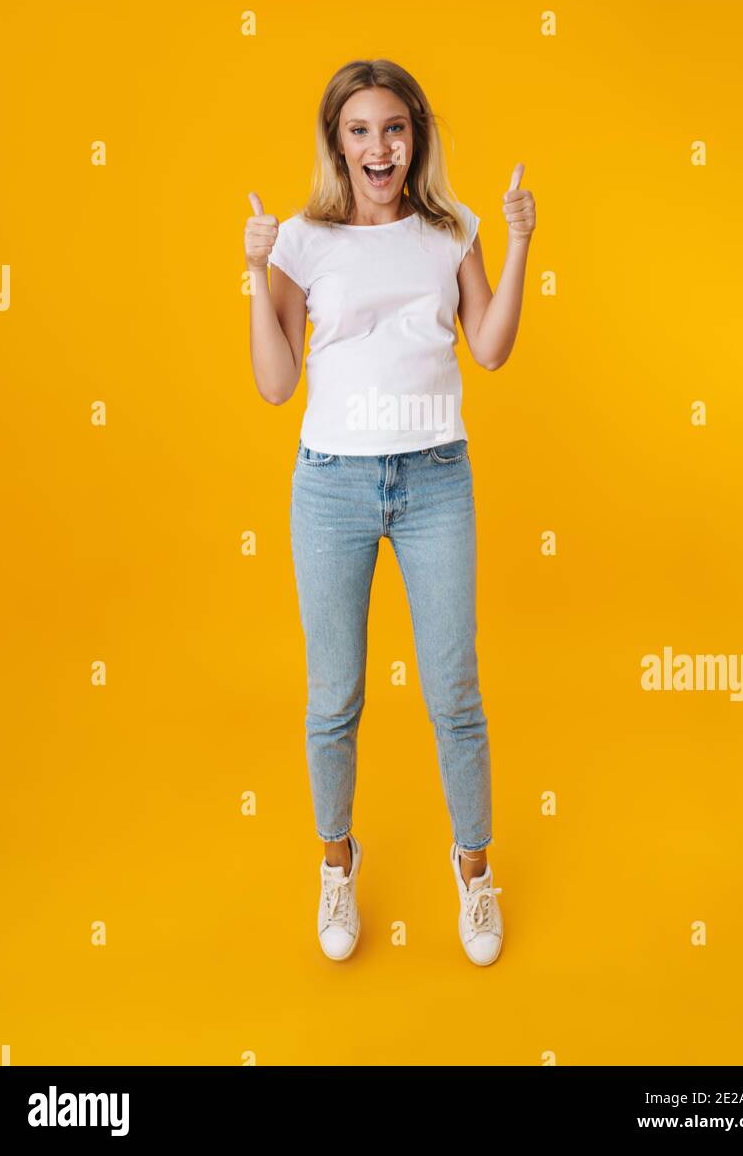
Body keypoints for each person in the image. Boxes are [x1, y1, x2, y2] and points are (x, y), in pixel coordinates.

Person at [243, 58, 535, 965]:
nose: (381, 146)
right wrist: (257, 272)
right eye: (362, 130)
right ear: (338, 141)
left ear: (417, 137)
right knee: (334, 696)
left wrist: (522, 241)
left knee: (454, 690)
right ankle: (337, 860)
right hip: (332, 483)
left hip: (434, 478)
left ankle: (475, 873)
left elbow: (488, 350)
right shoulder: (300, 241)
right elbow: (275, 382)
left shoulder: (451, 232)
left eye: (396, 128)